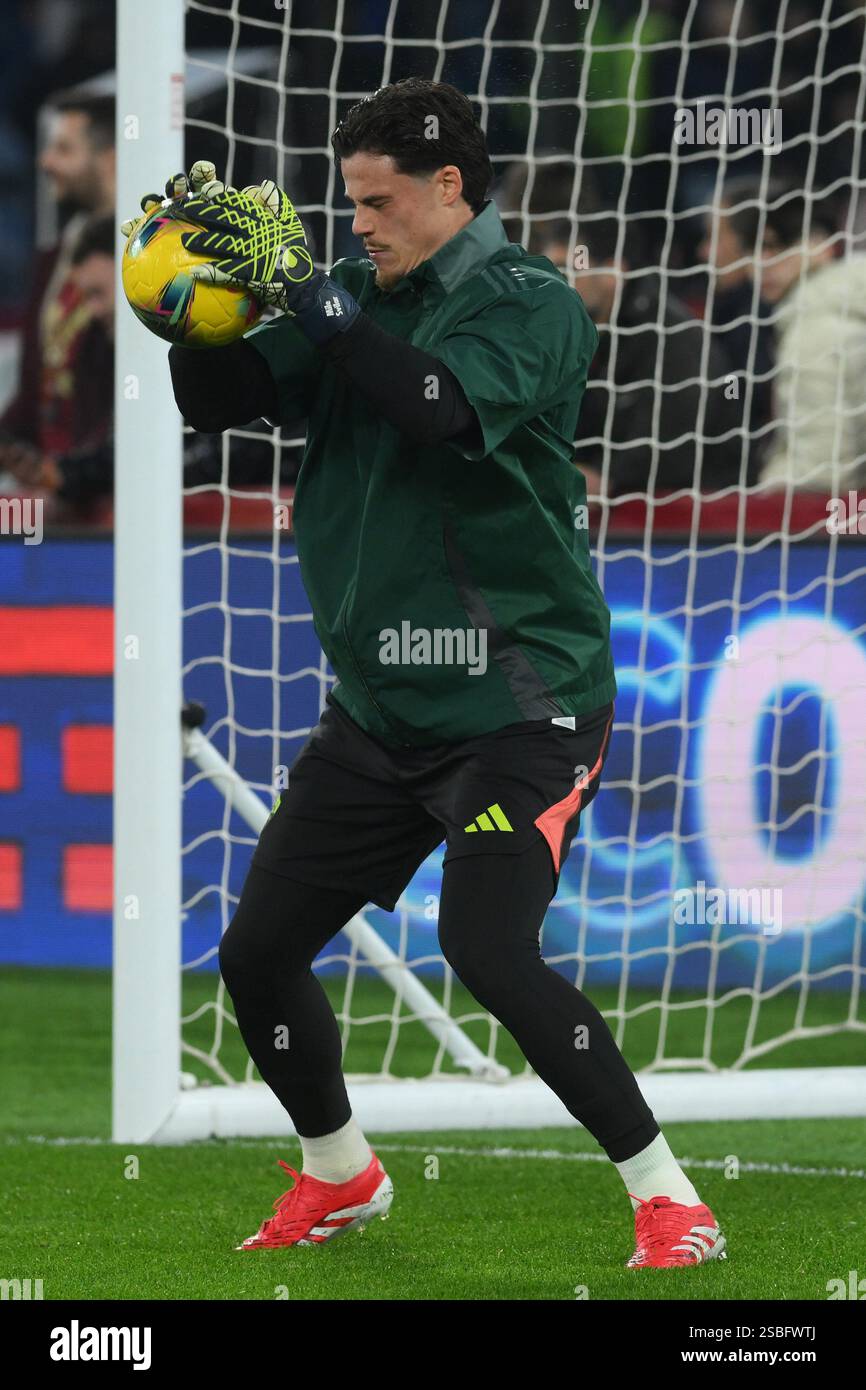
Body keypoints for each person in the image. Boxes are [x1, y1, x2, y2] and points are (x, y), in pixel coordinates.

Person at [128, 78, 725, 1266]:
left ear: (448, 185)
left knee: (487, 948)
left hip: (519, 704)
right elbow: (225, 403)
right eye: (346, 202)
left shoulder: (530, 304)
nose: (354, 221)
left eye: (376, 200)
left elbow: (435, 409)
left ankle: (669, 1198)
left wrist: (315, 295)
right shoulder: (356, 297)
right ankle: (340, 1174)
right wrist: (188, 302)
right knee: (255, 953)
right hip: (380, 711)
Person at [539, 216, 742, 497]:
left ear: (613, 271)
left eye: (565, 269)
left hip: (699, 517)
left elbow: (672, 446)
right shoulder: (572, 336)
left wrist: (605, 476)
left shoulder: (671, 336)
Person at [0, 90, 114, 487]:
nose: (46, 161)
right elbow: (39, 382)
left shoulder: (159, 256)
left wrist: (85, 473)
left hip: (115, 494)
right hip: (59, 502)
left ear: (111, 158)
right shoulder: (54, 256)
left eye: (64, 149)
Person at [757, 190, 866, 490]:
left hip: (833, 529)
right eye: (756, 249)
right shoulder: (837, 312)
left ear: (821, 246)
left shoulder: (816, 333)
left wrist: (762, 494)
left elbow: (819, 470)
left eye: (775, 247)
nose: (762, 262)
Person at [697, 176, 776, 456]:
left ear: (749, 244)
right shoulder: (729, 312)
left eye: (714, 238)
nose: (703, 251)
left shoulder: (758, 323)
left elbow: (744, 407)